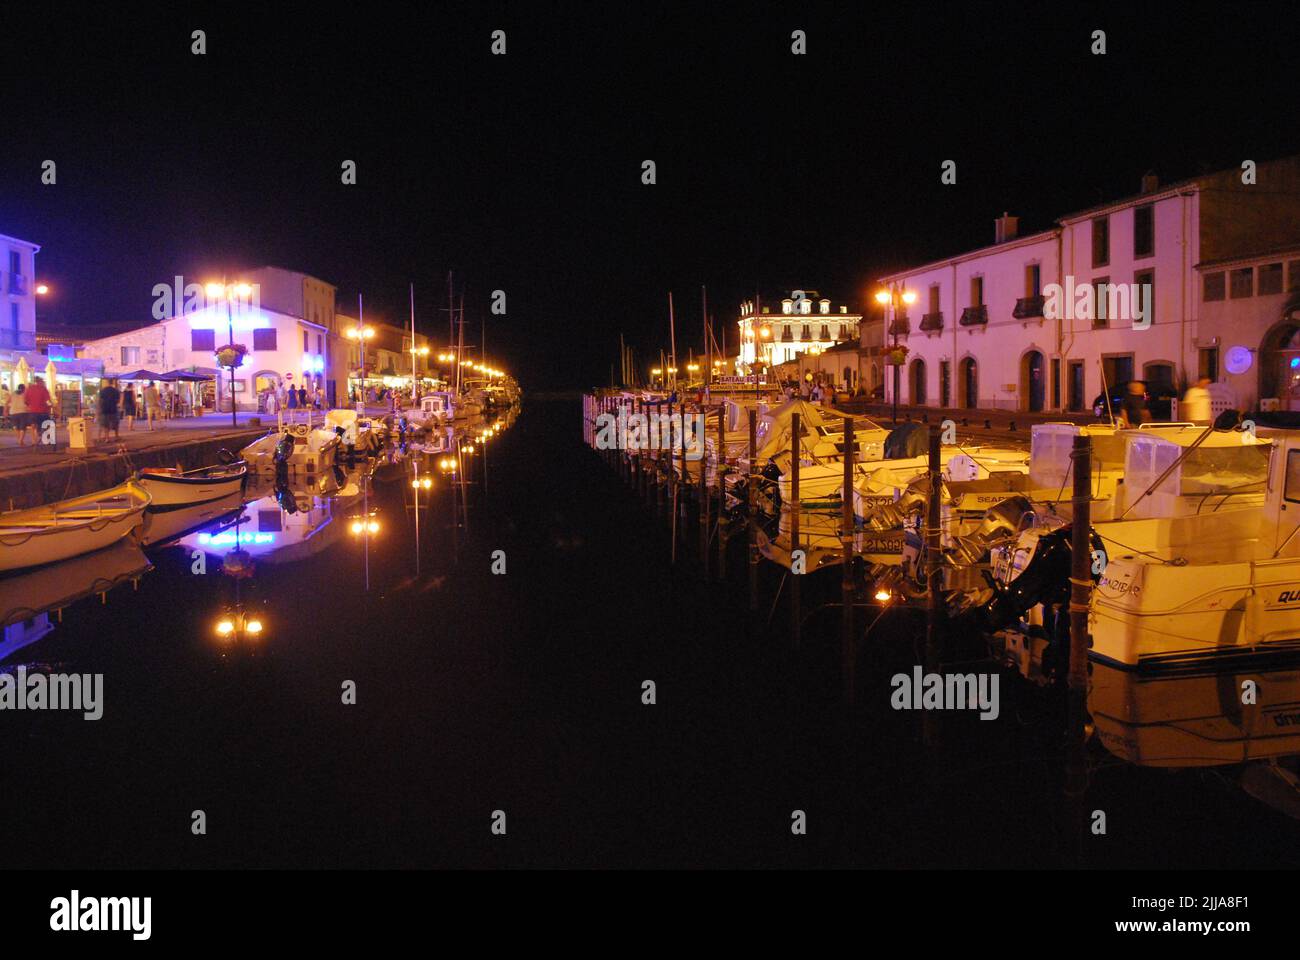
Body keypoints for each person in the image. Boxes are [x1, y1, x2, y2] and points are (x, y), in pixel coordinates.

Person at [24, 376, 51, 442]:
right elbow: (47, 401)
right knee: (46, 424)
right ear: (40, 382)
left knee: (33, 426)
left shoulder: (29, 389)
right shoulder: (43, 389)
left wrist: (29, 406)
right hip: (43, 411)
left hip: (33, 411)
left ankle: (34, 440)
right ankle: (44, 437)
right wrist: (51, 406)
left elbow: (26, 401)